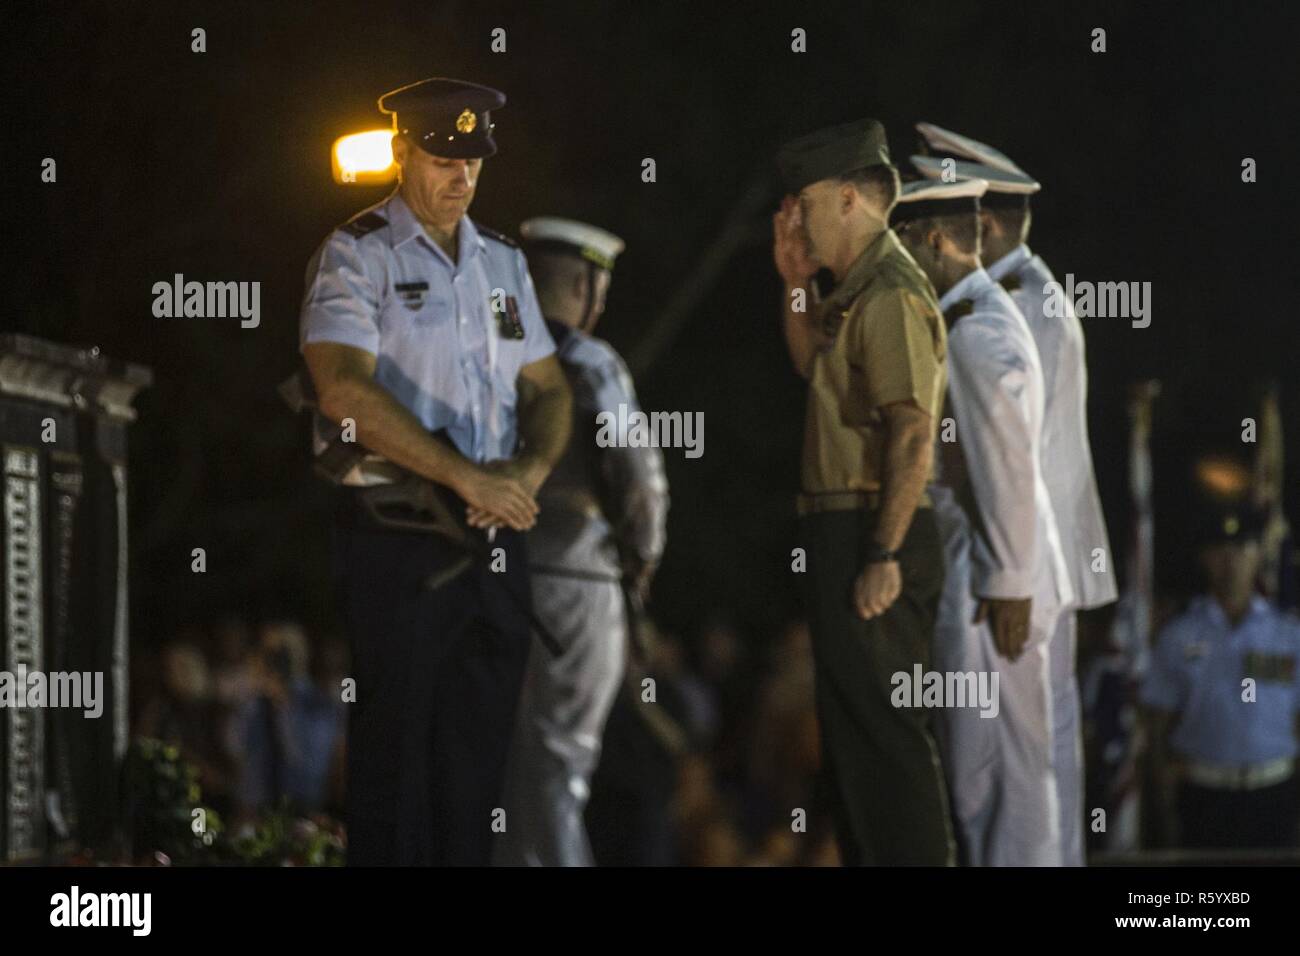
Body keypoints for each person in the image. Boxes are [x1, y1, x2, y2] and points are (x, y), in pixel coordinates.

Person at [298, 77, 572, 865]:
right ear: (400, 151)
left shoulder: (501, 265)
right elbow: (343, 392)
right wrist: (465, 476)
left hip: (492, 538)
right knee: (395, 767)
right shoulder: (357, 255)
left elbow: (548, 388)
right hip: (402, 538)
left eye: (474, 161)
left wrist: (526, 472)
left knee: (478, 770)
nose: (461, 178)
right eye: (443, 159)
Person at [912, 124, 1118, 864]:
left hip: (1015, 556)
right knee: (1038, 756)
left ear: (983, 223)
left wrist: (1007, 574)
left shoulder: (1004, 309)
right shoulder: (1029, 292)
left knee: (1008, 768)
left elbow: (1004, 448)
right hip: (1031, 554)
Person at [772, 118, 955, 865]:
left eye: (804, 202)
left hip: (875, 530)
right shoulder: (853, 290)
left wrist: (884, 551)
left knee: (886, 742)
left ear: (848, 198)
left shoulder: (887, 291)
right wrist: (793, 285)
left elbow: (913, 430)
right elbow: (814, 367)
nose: (795, 217)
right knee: (854, 745)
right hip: (844, 531)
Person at [893, 176, 1073, 866]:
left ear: (934, 241)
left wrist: (1008, 581)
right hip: (994, 563)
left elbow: (1007, 460)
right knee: (1000, 775)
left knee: (995, 779)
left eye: (904, 243)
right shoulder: (976, 316)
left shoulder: (975, 332)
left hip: (993, 575)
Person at [493, 217, 669, 866]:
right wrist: (644, 557)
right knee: (559, 771)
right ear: (587, 286)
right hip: (578, 578)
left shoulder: (485, 351)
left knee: (505, 772)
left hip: (486, 576)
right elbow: (639, 480)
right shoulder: (592, 362)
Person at [1141, 503, 1300, 850]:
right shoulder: (1178, 635)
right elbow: (1157, 722)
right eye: (1220, 550)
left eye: (1242, 548)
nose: (1231, 561)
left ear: (1259, 554)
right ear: (1205, 558)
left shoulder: (1288, 635)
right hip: (1202, 795)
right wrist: (1162, 799)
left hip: (1275, 794)